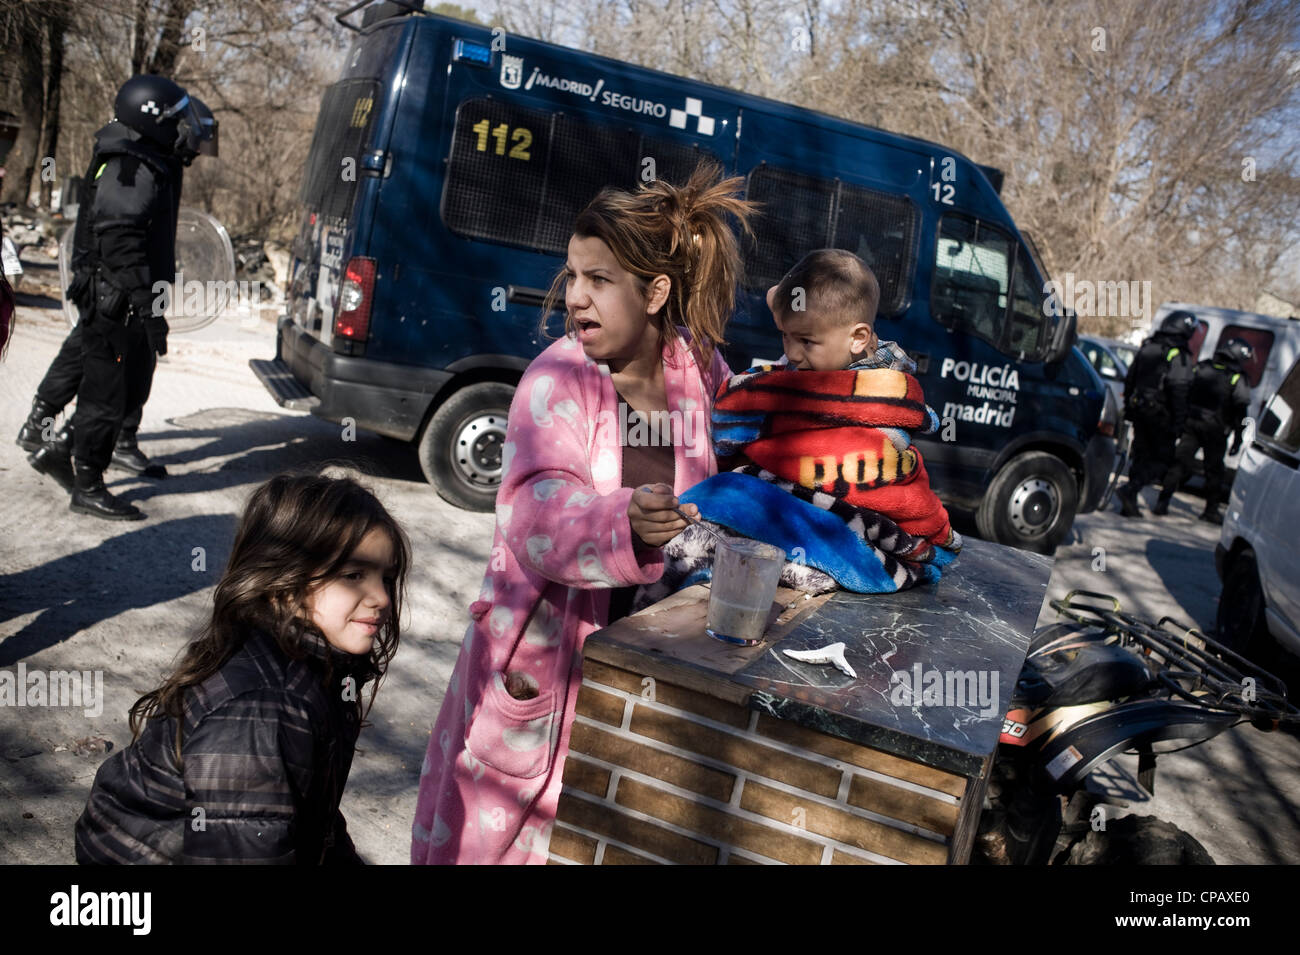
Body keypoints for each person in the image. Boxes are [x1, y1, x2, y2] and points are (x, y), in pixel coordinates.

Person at [410, 162, 754, 864]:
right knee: (502, 842)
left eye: (599, 280)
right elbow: (535, 515)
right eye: (572, 276)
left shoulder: (697, 369)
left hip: (649, 676)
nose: (575, 297)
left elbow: (749, 433)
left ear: (655, 292)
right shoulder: (559, 379)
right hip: (552, 666)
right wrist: (622, 522)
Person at [74, 471, 410, 863]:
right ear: (282, 579)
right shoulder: (261, 709)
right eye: (354, 575)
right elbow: (244, 852)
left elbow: (309, 814)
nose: (381, 597)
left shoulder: (312, 664)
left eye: (386, 577)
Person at [636, 249, 958, 607]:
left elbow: (882, 464)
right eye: (785, 336)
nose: (793, 354)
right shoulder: (806, 369)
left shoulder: (881, 393)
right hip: (803, 523)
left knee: (718, 505)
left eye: (806, 341)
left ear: (858, 337)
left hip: (836, 525)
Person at [16, 75, 207, 519]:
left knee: (115, 384)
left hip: (117, 296)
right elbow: (121, 239)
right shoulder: (131, 165)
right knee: (106, 393)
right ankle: (87, 485)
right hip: (116, 300)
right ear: (152, 117)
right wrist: (145, 303)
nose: (183, 127)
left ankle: (60, 450)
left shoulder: (137, 156)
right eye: (176, 118)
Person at [1154, 337, 1254, 524]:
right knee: (1214, 471)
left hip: (1192, 424)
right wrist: (1239, 438)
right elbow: (1241, 411)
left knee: (1179, 463)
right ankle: (1211, 511)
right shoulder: (1237, 377)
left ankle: (1162, 502)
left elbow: (1185, 392)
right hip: (1215, 430)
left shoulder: (1202, 367)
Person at [1114, 310, 1197, 518]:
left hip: (1140, 409)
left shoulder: (1149, 346)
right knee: (1162, 462)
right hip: (1162, 416)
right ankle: (1130, 490)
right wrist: (1179, 422)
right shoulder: (1178, 354)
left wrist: (1129, 406)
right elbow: (1179, 390)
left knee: (1140, 456)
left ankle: (1129, 505)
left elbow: (1130, 378)